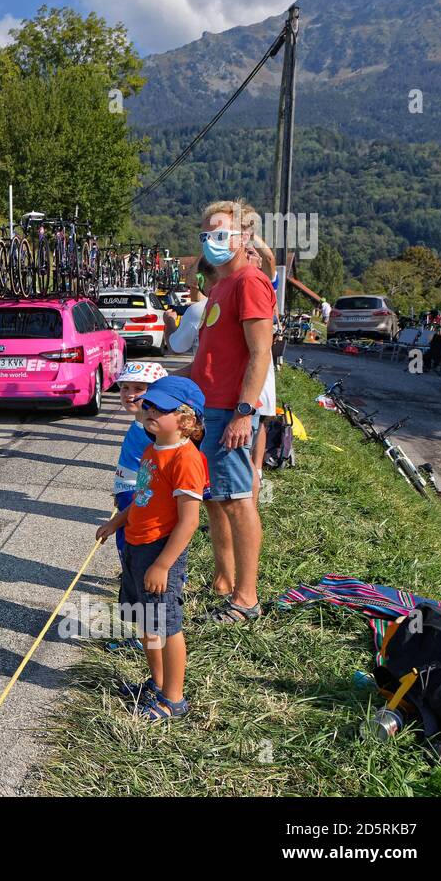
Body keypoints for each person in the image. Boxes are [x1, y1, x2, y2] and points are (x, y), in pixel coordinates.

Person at [174, 199, 275, 623]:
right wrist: (162, 382)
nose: (212, 241)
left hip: (227, 412)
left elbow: (260, 353)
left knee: (236, 500)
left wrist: (242, 413)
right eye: (207, 234)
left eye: (221, 233)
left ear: (243, 237)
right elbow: (208, 359)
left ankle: (246, 598)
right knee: (215, 500)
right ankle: (224, 580)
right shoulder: (218, 288)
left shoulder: (250, 282)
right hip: (206, 410)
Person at [95, 376, 208, 721]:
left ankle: (173, 699)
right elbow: (143, 499)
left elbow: (188, 521)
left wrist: (162, 565)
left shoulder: (186, 460)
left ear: (187, 420)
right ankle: (158, 684)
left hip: (161, 552)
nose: (150, 411)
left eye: (161, 408)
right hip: (136, 547)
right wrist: (119, 521)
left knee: (167, 625)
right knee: (147, 622)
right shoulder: (151, 449)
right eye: (149, 405)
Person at [111, 361, 168, 566]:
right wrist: (119, 489)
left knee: (137, 538)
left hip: (142, 492)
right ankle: (130, 573)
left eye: (138, 389)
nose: (129, 394)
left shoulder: (153, 428)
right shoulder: (138, 419)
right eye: (125, 387)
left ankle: (139, 574)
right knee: (125, 536)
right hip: (127, 488)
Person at [164, 258, 215, 355]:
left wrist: (170, 323)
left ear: (201, 279)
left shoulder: (198, 311)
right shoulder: (239, 300)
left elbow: (175, 349)